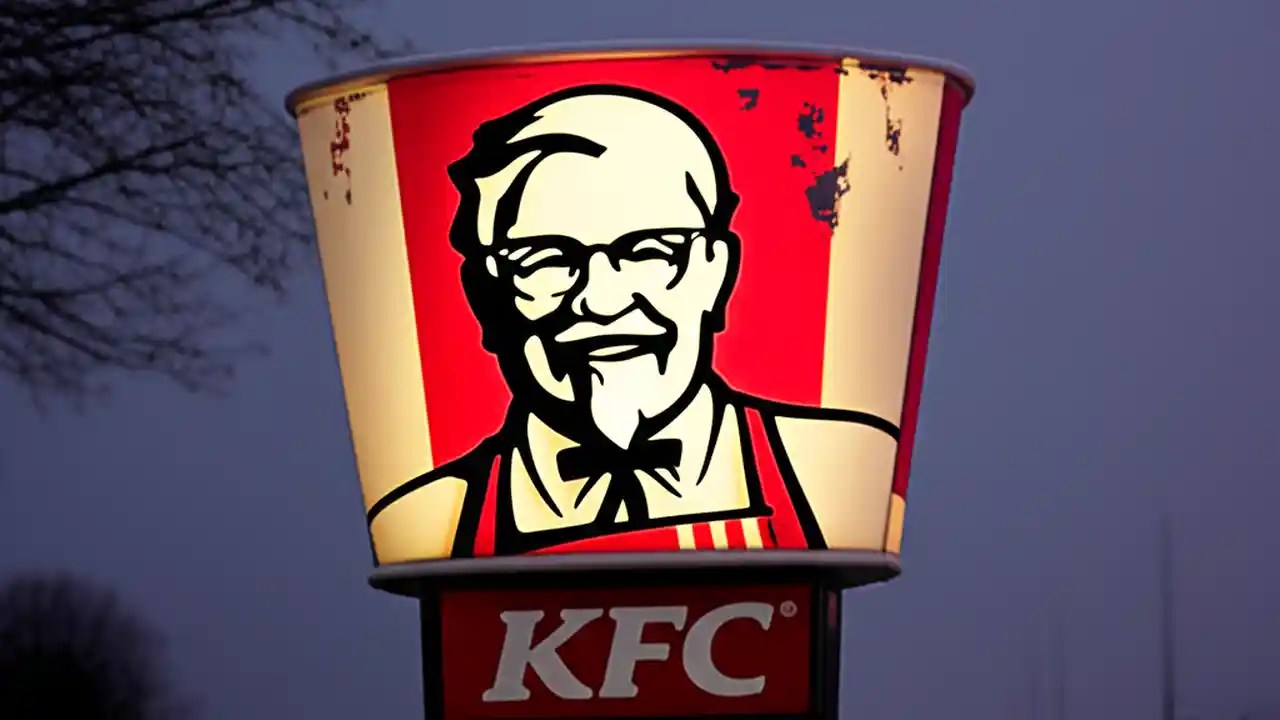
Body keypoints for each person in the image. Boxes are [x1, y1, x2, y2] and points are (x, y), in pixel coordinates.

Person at [368, 84, 900, 559]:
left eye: (649, 252)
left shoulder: (842, 472)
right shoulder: (425, 522)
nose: (602, 301)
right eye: (546, 259)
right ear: (486, 297)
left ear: (716, 273)